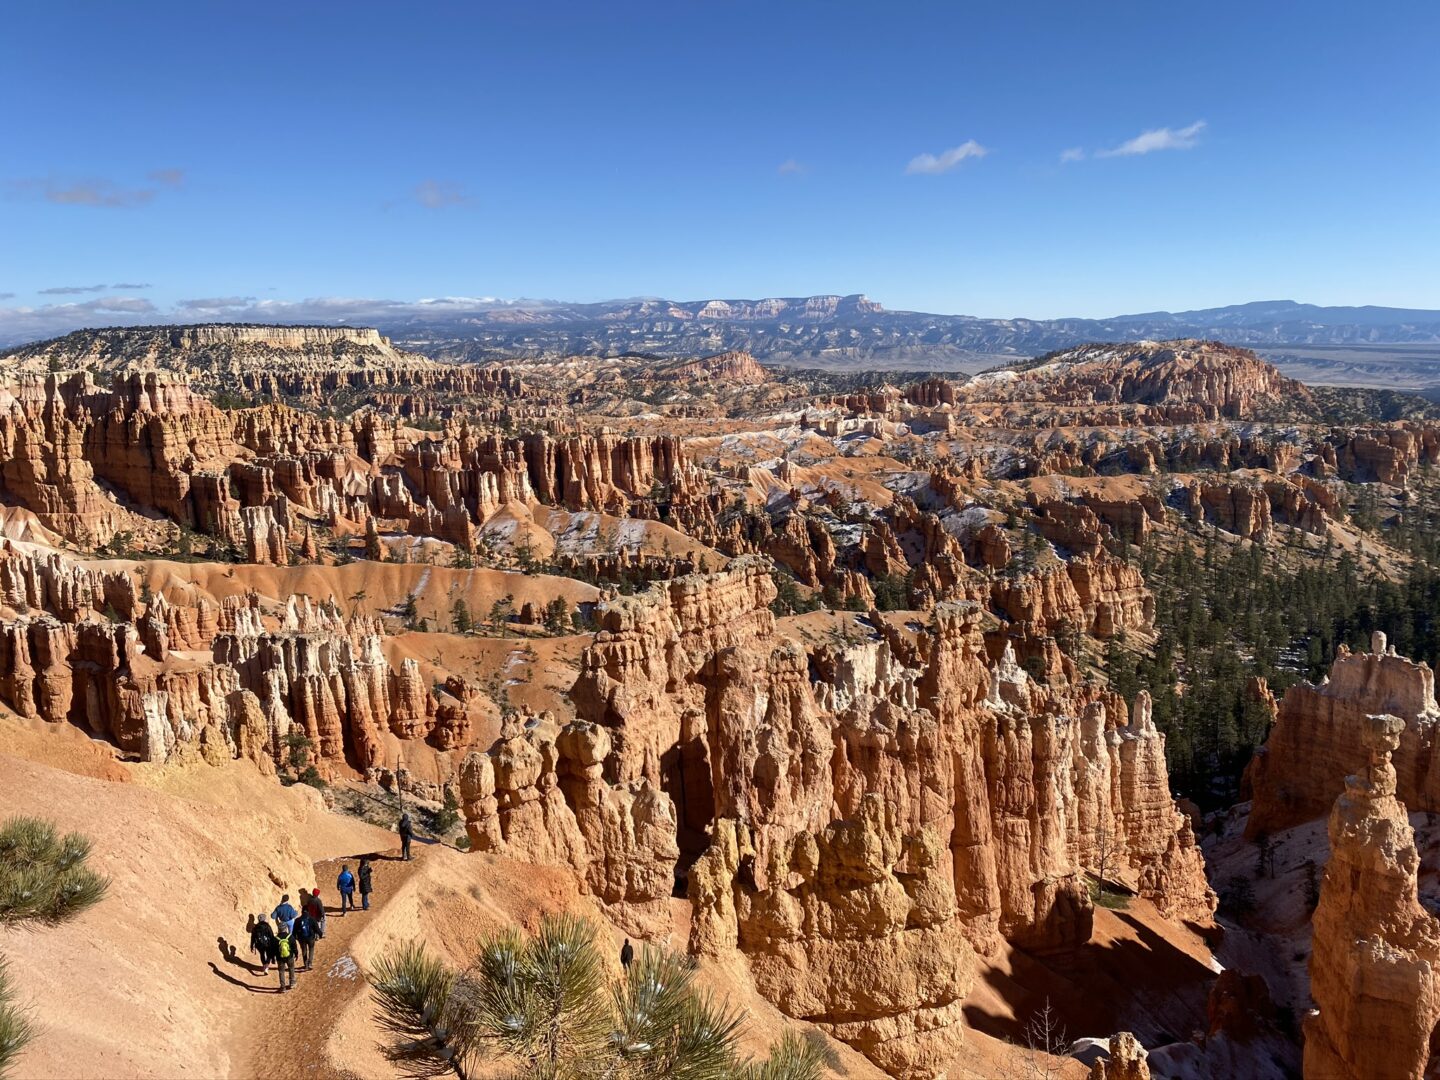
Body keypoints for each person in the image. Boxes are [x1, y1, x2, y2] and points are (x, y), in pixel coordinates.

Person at [275, 922, 296, 991]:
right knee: (291, 968)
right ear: (286, 929)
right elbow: (294, 947)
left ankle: (283, 987)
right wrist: (296, 953)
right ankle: (292, 983)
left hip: (279, 958)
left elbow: (273, 949)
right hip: (289, 956)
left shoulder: (275, 939)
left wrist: (272, 958)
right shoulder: (290, 937)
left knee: (281, 971)